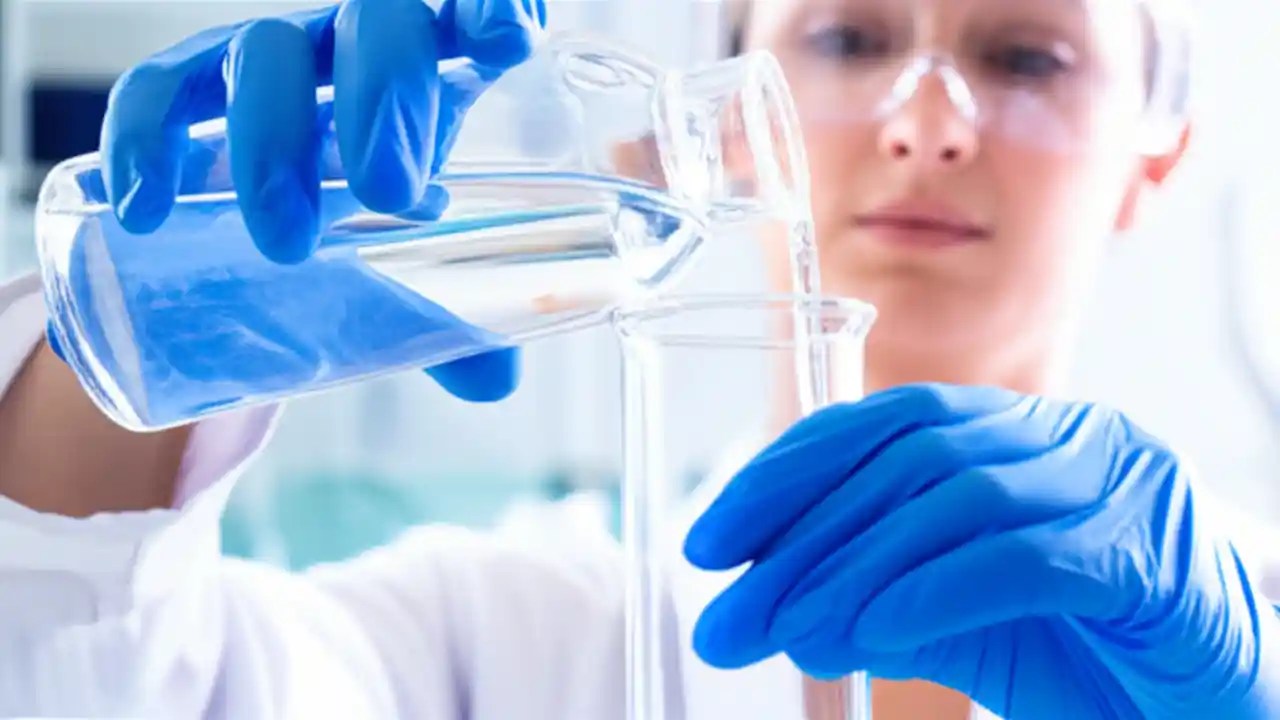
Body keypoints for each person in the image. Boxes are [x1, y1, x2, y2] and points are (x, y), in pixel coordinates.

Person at [0, 0, 1278, 718]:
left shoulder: (1232, 641)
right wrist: (146, 346)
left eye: (1022, 58)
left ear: (1151, 156)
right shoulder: (505, 641)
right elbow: (98, 690)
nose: (923, 126)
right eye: (848, 41)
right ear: (730, 127)